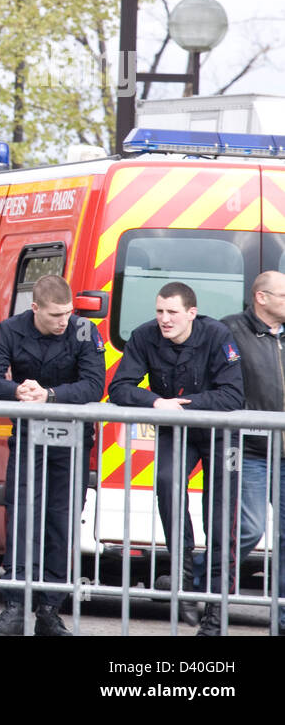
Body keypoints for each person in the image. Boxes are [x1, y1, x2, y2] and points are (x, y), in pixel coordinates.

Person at [109, 281, 243, 636]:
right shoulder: (143, 336)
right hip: (176, 430)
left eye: (172, 312)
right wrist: (155, 402)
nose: (164, 320)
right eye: (159, 311)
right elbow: (119, 387)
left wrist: (183, 406)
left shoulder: (217, 335)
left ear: (191, 314)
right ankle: (182, 570)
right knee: (166, 482)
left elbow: (232, 396)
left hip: (218, 434)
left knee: (220, 521)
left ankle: (216, 615)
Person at [0, 275, 105, 637]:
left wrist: (49, 395)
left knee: (61, 522)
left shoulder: (84, 331)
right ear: (35, 308)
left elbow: (95, 385)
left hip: (73, 439)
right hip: (29, 435)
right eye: (55, 315)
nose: (64, 320)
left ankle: (51, 609)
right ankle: (15, 607)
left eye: (68, 313)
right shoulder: (10, 330)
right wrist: (17, 390)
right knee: (21, 518)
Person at [224, 271, 285, 635]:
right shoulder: (231, 331)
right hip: (252, 449)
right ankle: (201, 584)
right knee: (248, 528)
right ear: (261, 298)